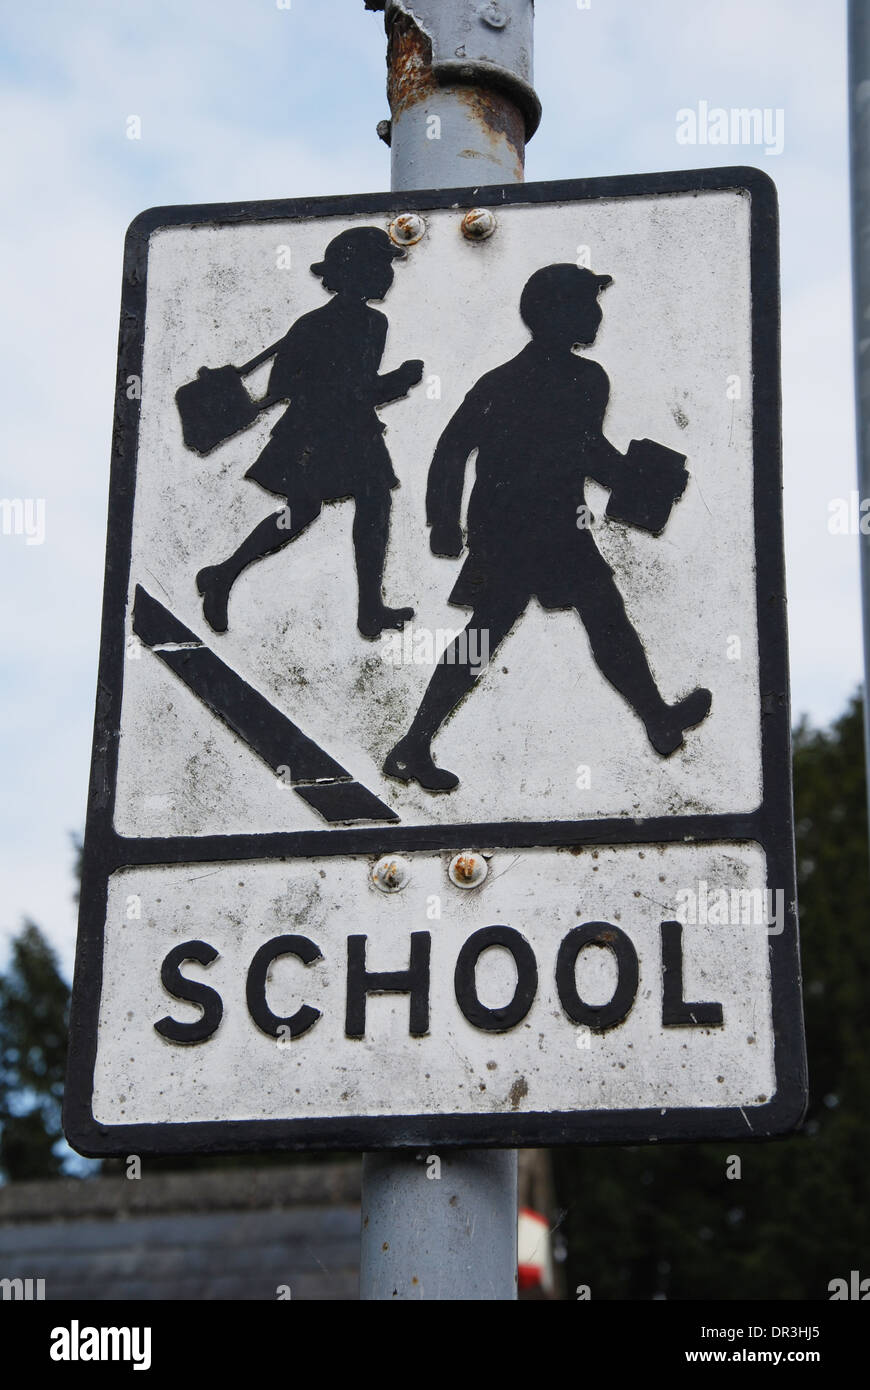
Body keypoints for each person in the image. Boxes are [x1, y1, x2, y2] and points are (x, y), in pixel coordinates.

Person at [383, 262, 712, 792]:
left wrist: (639, 480)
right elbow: (452, 447)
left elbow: (585, 450)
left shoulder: (588, 379)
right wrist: (442, 522)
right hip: (508, 527)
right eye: (585, 304)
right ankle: (413, 744)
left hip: (556, 522)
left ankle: (657, 718)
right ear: (554, 314)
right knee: (496, 634)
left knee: (600, 616)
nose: (596, 315)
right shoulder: (505, 381)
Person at [195, 226, 423, 639]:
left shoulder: (341, 321)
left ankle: (367, 607)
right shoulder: (357, 323)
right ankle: (224, 574)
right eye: (381, 265)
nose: (388, 274)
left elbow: (293, 384)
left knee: (357, 505)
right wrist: (399, 381)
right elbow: (345, 387)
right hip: (323, 432)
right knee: (322, 508)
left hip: (337, 429)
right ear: (355, 271)